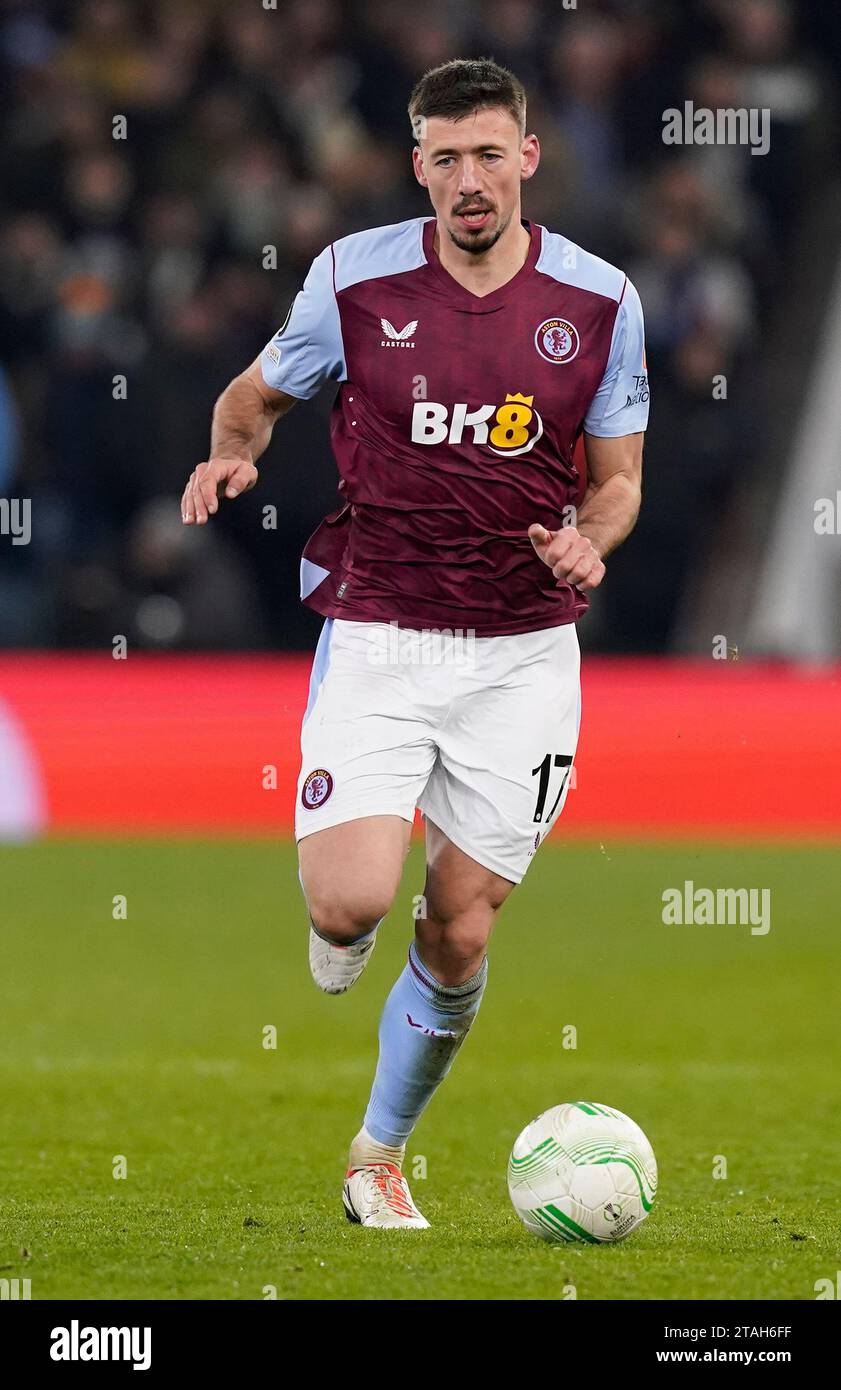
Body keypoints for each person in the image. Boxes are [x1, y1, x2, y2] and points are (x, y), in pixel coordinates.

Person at [181, 57, 648, 1229]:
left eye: (490, 154)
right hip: (381, 624)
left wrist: (591, 542)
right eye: (445, 158)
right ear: (417, 166)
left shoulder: (599, 302)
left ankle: (377, 1154)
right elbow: (255, 396)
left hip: (524, 652)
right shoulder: (350, 278)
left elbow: (619, 480)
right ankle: (343, 915)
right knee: (346, 909)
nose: (469, 179)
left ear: (528, 158)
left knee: (460, 924)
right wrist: (230, 450)